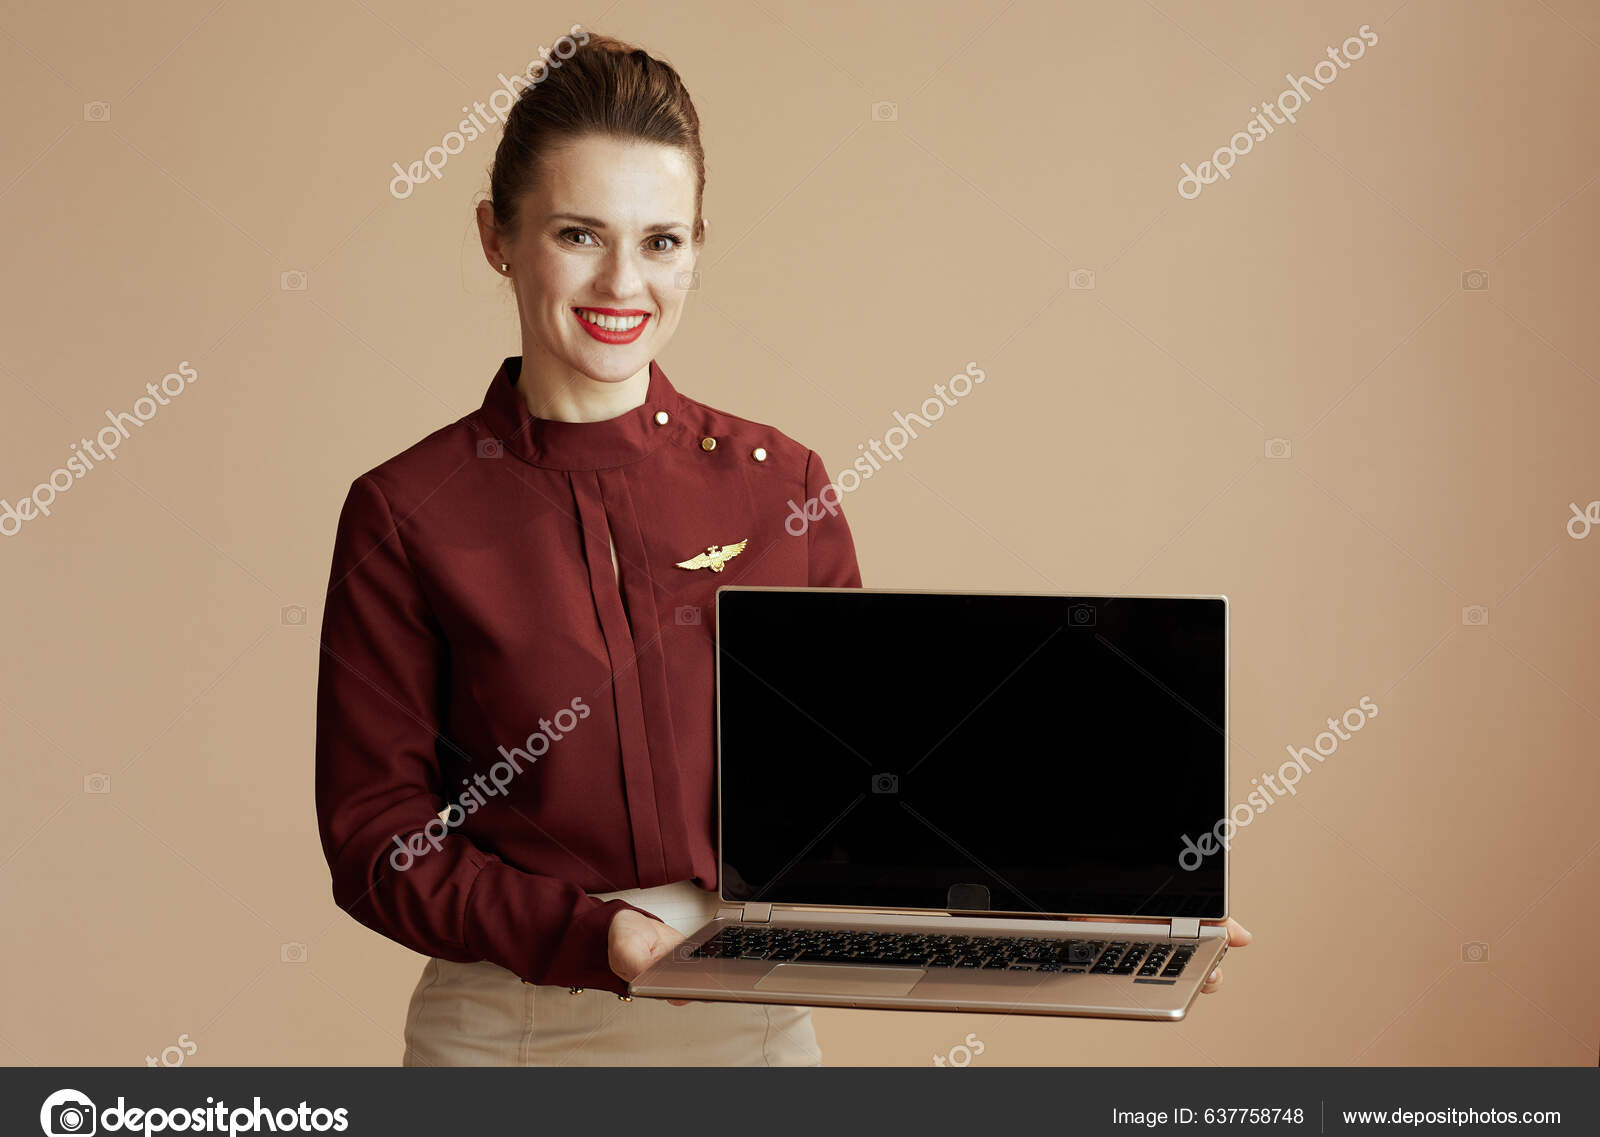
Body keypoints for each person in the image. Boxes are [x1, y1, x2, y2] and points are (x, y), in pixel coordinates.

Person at [314, 33, 1248, 1068]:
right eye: (579, 233)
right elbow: (376, 844)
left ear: (698, 247)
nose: (624, 280)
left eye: (662, 240)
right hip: (509, 1034)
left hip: (749, 1020)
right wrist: (596, 938)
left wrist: (1078, 912)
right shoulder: (405, 513)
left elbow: (874, 796)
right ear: (498, 237)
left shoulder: (779, 485)